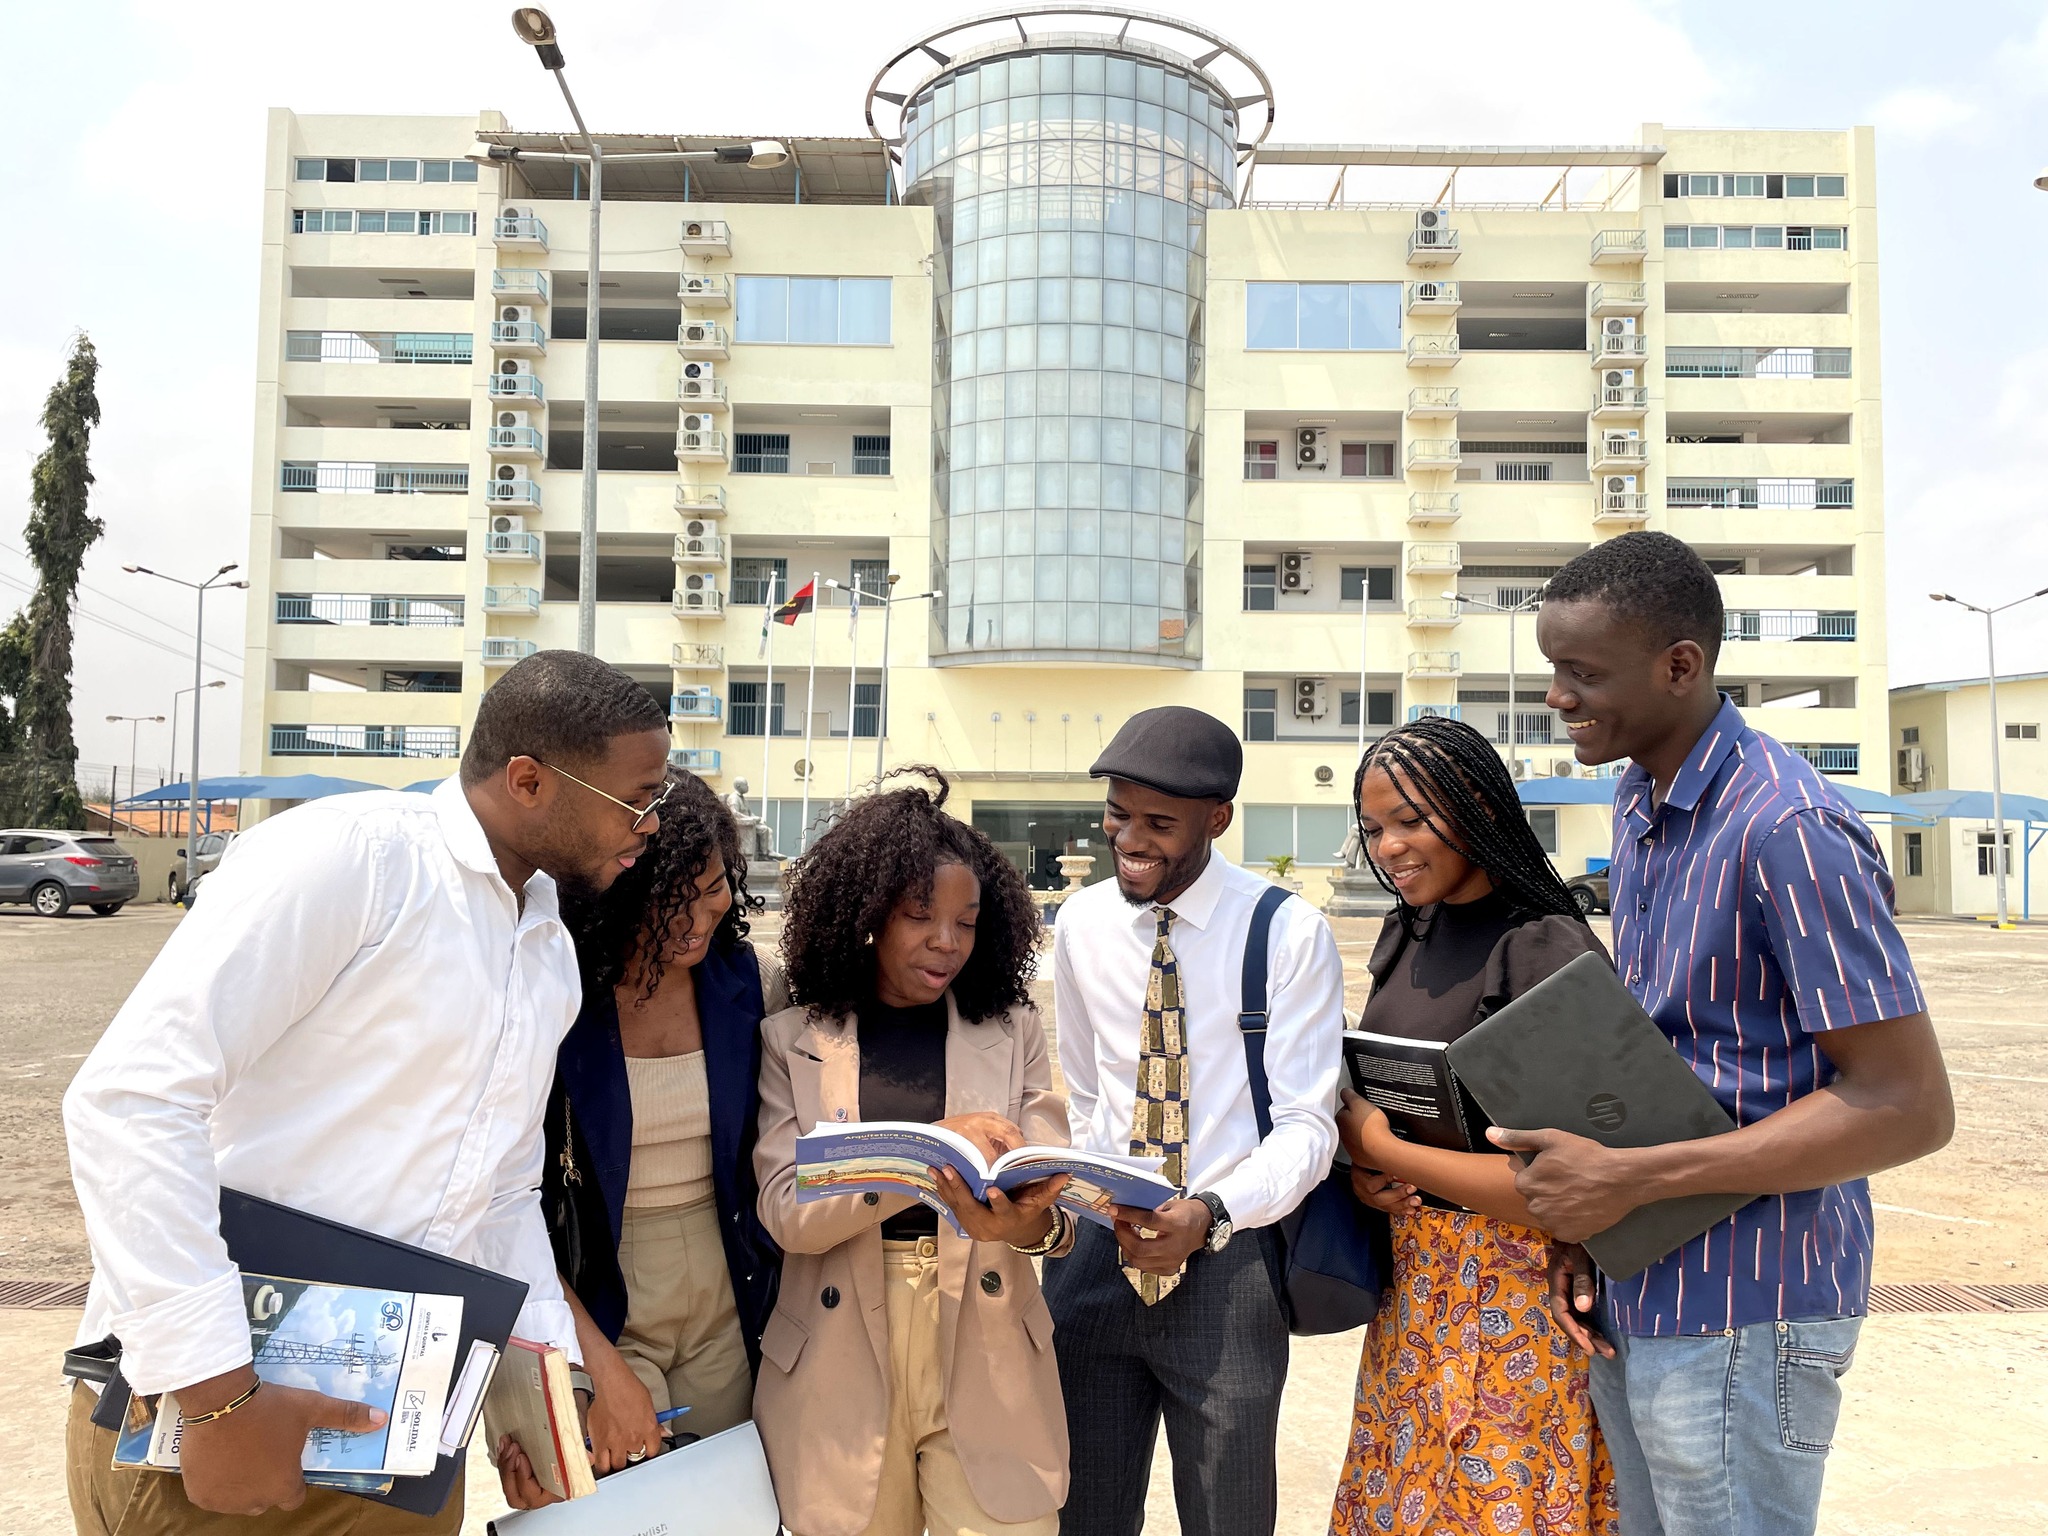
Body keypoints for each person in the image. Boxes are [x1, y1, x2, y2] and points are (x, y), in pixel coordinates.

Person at [62, 650, 673, 1534]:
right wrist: (219, 1397)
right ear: (530, 781)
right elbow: (131, 1101)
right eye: (637, 799)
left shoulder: (545, 949)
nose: (652, 824)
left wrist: (551, 1392)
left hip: (396, 1441)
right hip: (216, 1420)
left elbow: (497, 1198)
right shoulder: (354, 860)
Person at [1501, 531, 1953, 1536]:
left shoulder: (1785, 830)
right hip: (1647, 1278)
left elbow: (1906, 1107)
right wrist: (1598, 1227)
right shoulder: (1639, 799)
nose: (1558, 698)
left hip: (1752, 1303)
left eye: (1581, 673)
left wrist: (1631, 1185)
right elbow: (1668, 1049)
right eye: (1552, 671)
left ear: (1679, 666)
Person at [1044, 704, 1346, 1536]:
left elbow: (1307, 1126)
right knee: (1083, 1512)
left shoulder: (1286, 932)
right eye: (1117, 813)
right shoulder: (1080, 924)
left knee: (1229, 1513)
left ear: (1218, 819)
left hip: (1228, 1263)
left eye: (1159, 822)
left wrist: (1209, 1214)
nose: (1129, 838)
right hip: (1095, 1256)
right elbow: (1089, 1091)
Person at [752, 768, 1071, 1536]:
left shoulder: (1013, 1028)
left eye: (966, 922)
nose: (946, 942)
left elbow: (1052, 1211)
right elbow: (788, 1212)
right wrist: (929, 1152)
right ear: (867, 917)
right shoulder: (793, 1037)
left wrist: (1021, 1223)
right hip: (838, 1355)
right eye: (920, 917)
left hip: (990, 1346)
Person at [1327, 716, 1618, 1536]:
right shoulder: (1406, 931)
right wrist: (1371, 1175)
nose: (1390, 847)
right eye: (1374, 828)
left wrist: (1384, 1149)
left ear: (1481, 808)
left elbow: (1578, 1187)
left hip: (1518, 1300)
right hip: (1417, 1293)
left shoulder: (1544, 947)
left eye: (1412, 821)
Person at [495, 769, 789, 1508]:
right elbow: (505, 1202)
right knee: (606, 1509)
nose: (698, 914)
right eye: (670, 897)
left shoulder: (753, 986)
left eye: (716, 884)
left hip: (728, 1294)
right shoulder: (552, 996)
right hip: (594, 1291)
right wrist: (589, 1364)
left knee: (723, 1511)